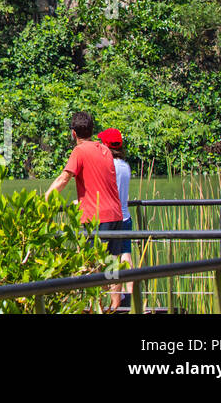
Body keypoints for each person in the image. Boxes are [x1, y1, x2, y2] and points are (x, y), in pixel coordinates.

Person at [45, 111, 124, 311]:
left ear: (73, 133)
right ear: (92, 130)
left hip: (97, 218)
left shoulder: (79, 152)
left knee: (93, 265)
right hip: (115, 214)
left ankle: (93, 307)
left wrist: (44, 200)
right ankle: (115, 306)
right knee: (112, 264)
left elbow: (63, 179)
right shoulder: (104, 149)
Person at [100, 127, 134, 309]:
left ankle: (111, 300)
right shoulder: (125, 166)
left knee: (111, 259)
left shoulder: (108, 166)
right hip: (126, 216)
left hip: (111, 218)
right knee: (125, 255)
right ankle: (129, 296)